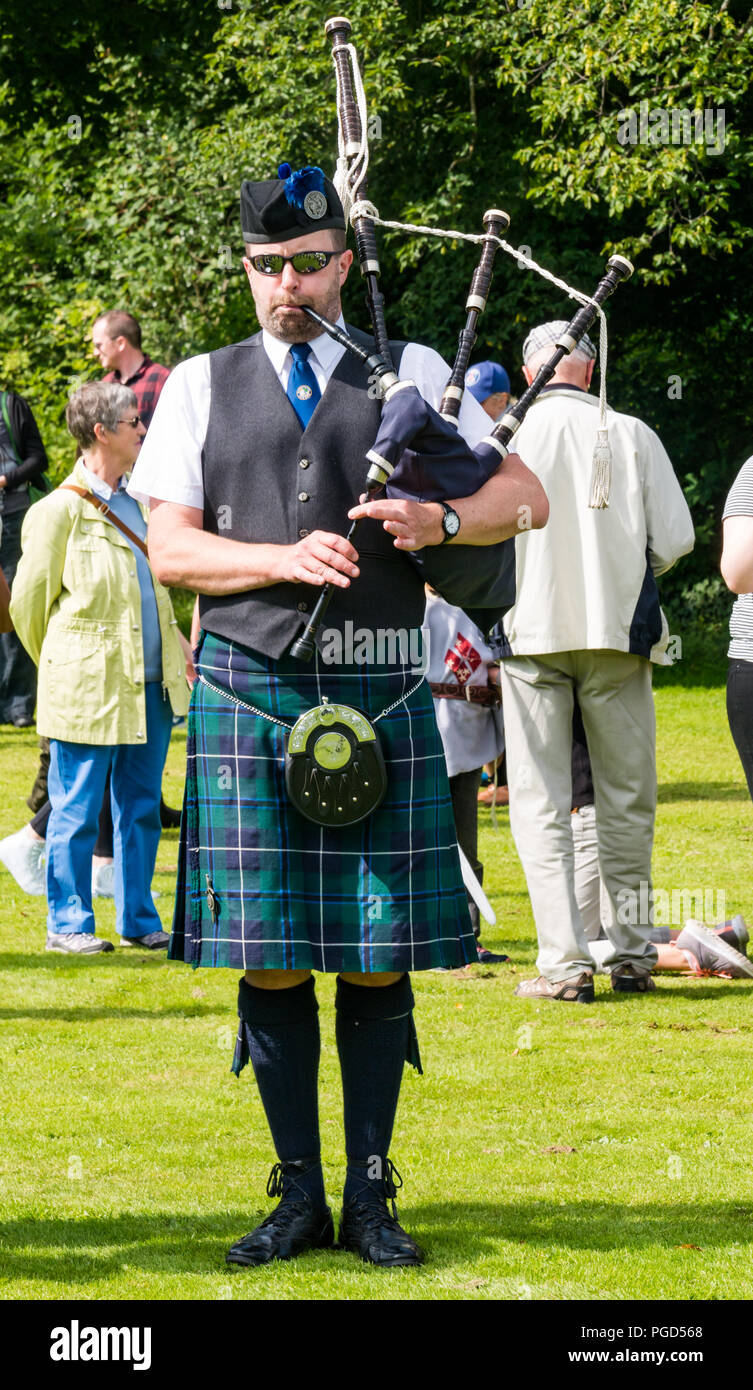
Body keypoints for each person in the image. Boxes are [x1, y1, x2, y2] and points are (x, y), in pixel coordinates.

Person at [128, 163, 548, 1269]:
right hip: (246, 696)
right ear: (249, 270)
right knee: (268, 956)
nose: (289, 286)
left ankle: (371, 1196)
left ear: (344, 263)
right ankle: (296, 1193)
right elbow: (169, 546)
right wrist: (276, 556)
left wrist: (438, 512)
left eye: (310, 264)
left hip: (380, 692)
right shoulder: (201, 388)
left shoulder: (406, 368)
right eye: (269, 267)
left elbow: (526, 497)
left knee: (374, 951)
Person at [499, 319, 694, 1002]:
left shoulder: (506, 438)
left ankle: (564, 966)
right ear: (586, 369)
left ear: (529, 375)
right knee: (625, 799)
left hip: (527, 633)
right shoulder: (632, 433)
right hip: (615, 633)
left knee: (540, 804)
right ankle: (633, 954)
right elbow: (674, 539)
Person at [9, 382, 191, 954]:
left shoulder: (142, 504)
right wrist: (69, 665)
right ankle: (68, 925)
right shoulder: (56, 510)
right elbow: (27, 608)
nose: (142, 429)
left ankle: (138, 921)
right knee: (76, 809)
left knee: (140, 810)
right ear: (101, 432)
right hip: (88, 687)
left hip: (151, 685)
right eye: (133, 421)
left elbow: (156, 594)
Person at [424, 588, 508, 962]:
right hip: (429, 735)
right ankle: (426, 933)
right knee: (423, 844)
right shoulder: (418, 609)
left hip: (468, 735)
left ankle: (466, 936)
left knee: (465, 843)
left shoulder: (478, 607)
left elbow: (490, 662)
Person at [0, 387, 48, 725]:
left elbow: (37, 460)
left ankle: (18, 705)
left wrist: (4, 479)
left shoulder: (11, 405)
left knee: (16, 608)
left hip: (15, 517)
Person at [92, 311, 170, 432]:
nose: (95, 353)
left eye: (99, 345)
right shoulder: (104, 385)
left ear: (120, 343)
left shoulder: (163, 380)